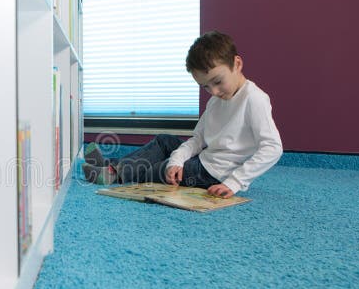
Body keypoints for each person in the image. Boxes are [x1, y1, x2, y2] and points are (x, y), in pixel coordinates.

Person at [81, 30, 283, 198]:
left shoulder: (254, 99)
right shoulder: (215, 102)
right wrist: (177, 160)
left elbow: (273, 148)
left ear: (237, 64)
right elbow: (197, 140)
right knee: (164, 142)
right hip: (203, 159)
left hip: (213, 174)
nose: (213, 91)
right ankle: (111, 168)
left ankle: (113, 174)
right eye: (205, 87)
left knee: (158, 169)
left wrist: (235, 182)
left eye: (218, 81)